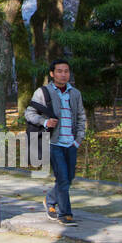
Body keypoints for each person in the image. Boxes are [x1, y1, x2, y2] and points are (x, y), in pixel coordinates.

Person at [23, 59, 86, 226]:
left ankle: (50, 200)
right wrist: (45, 123)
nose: (63, 74)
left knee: (69, 178)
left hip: (71, 143)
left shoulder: (75, 93)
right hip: (52, 142)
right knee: (63, 178)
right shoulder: (43, 92)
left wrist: (78, 139)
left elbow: (81, 117)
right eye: (59, 71)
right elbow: (29, 113)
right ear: (52, 74)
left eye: (66, 71)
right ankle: (65, 214)